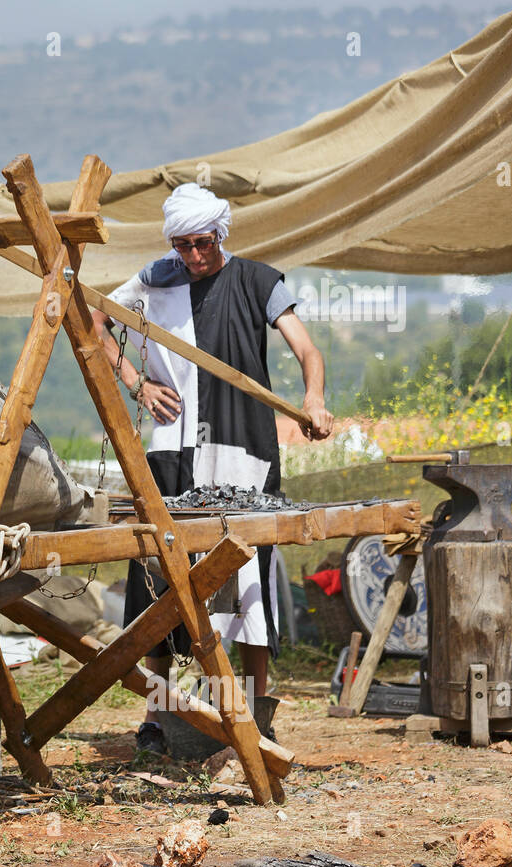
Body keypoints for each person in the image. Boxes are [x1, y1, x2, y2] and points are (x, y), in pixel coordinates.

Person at [89, 182, 334, 755]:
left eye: (201, 243)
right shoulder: (157, 278)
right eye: (183, 245)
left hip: (244, 451)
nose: (193, 256)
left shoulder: (258, 282)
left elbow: (308, 351)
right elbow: (93, 320)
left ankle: (252, 715)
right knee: (159, 575)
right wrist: (136, 382)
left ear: (219, 234)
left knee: (246, 581)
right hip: (174, 451)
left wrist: (315, 399)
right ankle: (157, 715)